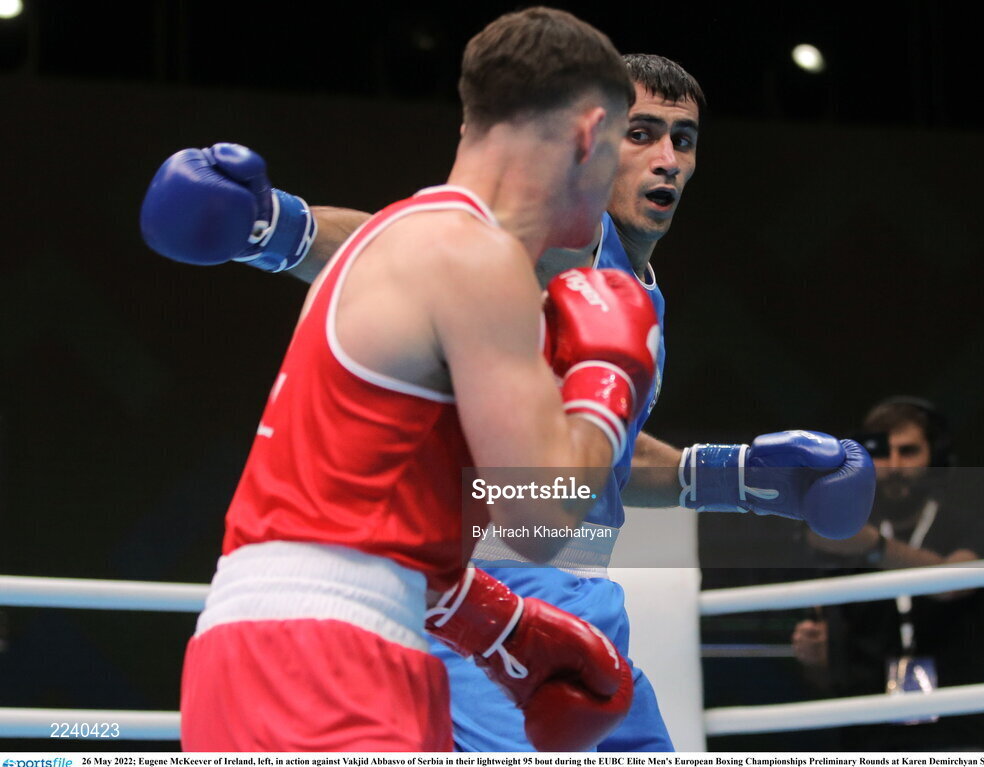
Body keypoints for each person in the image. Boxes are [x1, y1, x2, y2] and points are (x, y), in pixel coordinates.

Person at [142, 53, 875, 750]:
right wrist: (276, 227)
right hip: (494, 596)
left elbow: (593, 456)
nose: (668, 160)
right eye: (642, 133)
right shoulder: (564, 237)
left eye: (683, 140)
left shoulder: (635, 289)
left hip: (564, 607)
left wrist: (733, 476)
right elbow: (407, 249)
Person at [163, 8, 666, 752]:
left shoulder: (385, 241)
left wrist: (504, 628)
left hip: (280, 642)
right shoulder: (478, 259)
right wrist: (607, 375)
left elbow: (358, 511)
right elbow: (540, 519)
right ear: (589, 135)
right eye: (624, 140)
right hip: (330, 659)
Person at [792, 396, 984, 749]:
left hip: (959, 730)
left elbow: (954, 584)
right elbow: (825, 679)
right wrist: (815, 660)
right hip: (869, 736)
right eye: (882, 454)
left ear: (936, 458)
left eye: (909, 451)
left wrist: (875, 547)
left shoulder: (968, 526)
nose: (894, 465)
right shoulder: (841, 541)